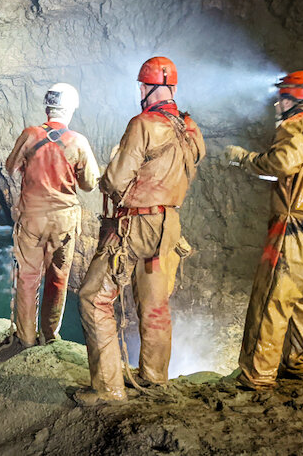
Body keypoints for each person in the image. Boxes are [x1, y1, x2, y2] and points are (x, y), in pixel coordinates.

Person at [74, 57, 206, 404]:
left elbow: (116, 181)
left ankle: (108, 388)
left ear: (146, 88)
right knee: (155, 303)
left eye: (142, 87)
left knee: (93, 297)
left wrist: (107, 174)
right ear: (173, 88)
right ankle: (155, 379)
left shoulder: (143, 124)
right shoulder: (190, 128)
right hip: (169, 227)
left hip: (136, 225)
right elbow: (196, 159)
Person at [225, 70, 303, 390]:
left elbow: (283, 163)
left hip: (298, 230)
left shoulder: (297, 127)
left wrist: (244, 159)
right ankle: (301, 366)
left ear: (294, 99)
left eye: (282, 96)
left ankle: (258, 373)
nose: (277, 103)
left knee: (273, 300)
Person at [5, 83, 99, 348]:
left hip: (32, 218)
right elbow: (89, 183)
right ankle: (50, 335)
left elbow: (10, 166)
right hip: (63, 221)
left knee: (27, 277)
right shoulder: (78, 142)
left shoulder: (29, 134)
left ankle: (25, 338)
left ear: (48, 108)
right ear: (70, 110)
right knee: (58, 278)